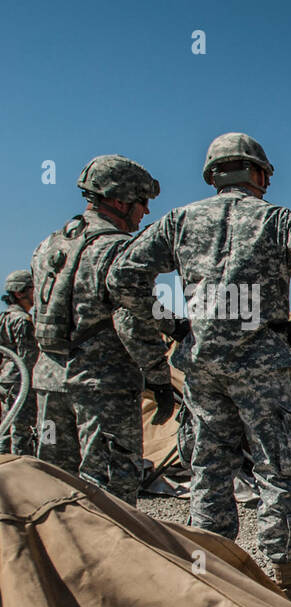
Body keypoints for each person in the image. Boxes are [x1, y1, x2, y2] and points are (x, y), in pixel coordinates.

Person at [108, 132, 291, 607]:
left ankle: (212, 584)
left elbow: (123, 276)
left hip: (201, 364)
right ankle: (289, 587)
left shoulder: (178, 222)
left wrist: (169, 322)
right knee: (280, 466)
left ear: (212, 175)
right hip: (262, 364)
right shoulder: (279, 221)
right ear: (260, 175)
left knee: (209, 468)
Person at [29, 155, 174, 502]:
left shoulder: (49, 245)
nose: (146, 213)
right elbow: (131, 319)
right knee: (108, 492)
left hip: (49, 383)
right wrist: (157, 375)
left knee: (54, 490)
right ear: (120, 199)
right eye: (142, 202)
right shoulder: (119, 248)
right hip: (101, 388)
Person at [0, 270, 38, 453]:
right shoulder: (23, 321)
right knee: (21, 431)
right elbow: (28, 358)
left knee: (7, 426)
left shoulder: (4, 318)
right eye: (33, 288)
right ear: (19, 292)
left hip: (6, 380)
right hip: (21, 381)